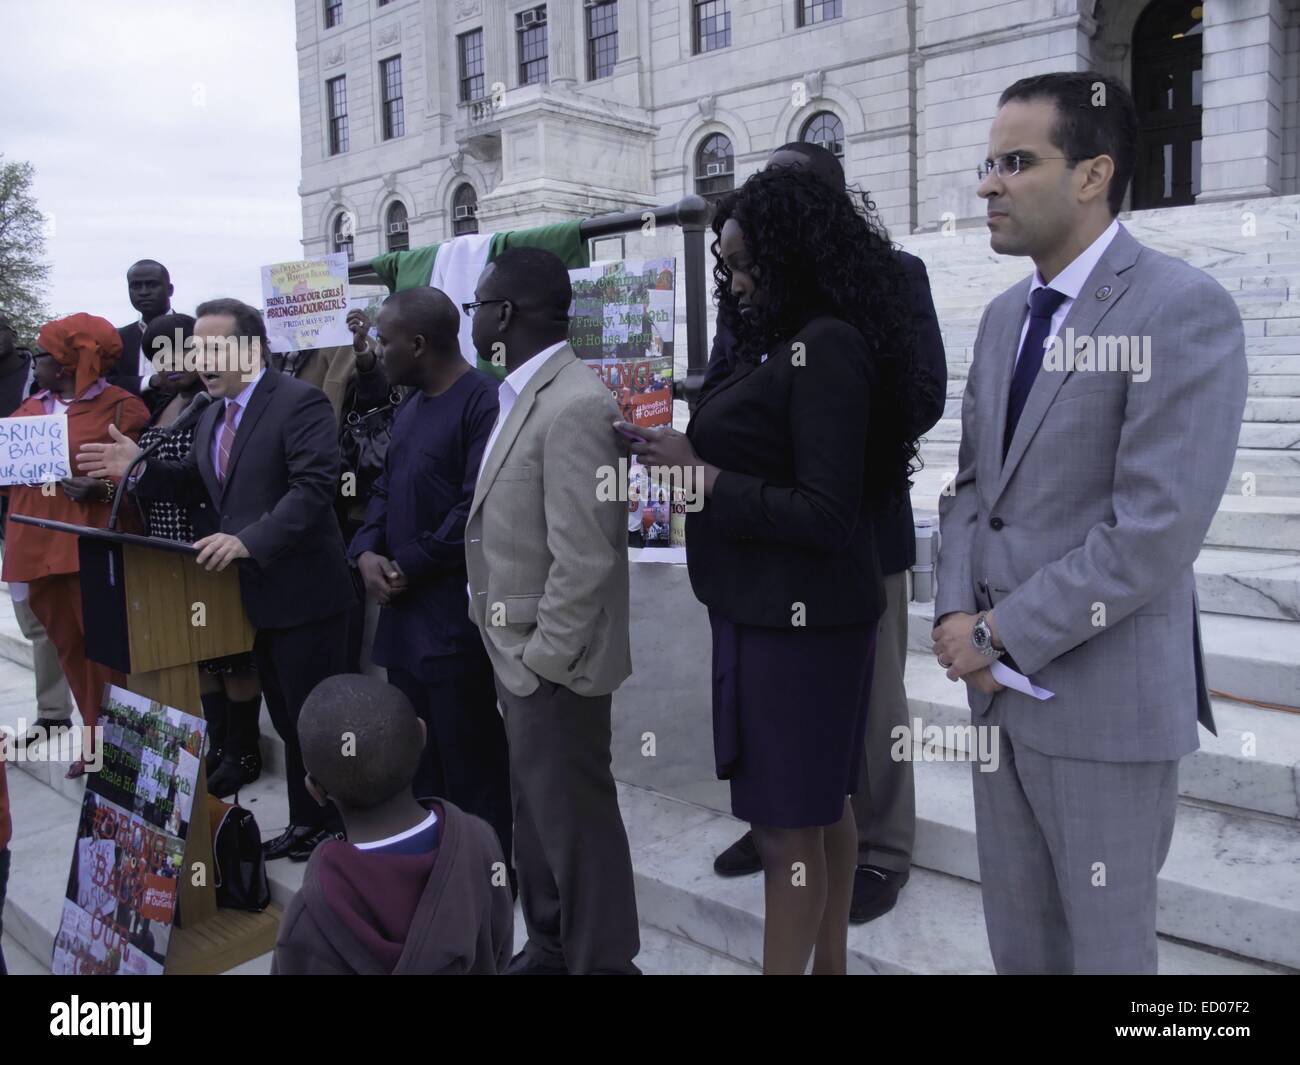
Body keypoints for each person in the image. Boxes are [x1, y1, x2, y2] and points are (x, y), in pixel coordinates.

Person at [932, 72, 1247, 974]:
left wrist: (997, 632)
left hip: (1104, 707)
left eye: (1016, 162)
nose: (988, 184)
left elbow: (1153, 530)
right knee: (1022, 949)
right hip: (995, 701)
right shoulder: (1002, 319)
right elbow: (968, 491)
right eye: (988, 162)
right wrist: (959, 617)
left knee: (1108, 962)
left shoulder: (1180, 307)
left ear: (1093, 174)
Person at [626, 165, 920, 974]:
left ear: (796, 252)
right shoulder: (778, 339)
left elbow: (827, 513)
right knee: (820, 813)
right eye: (725, 262)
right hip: (764, 611)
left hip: (804, 624)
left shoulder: (827, 346)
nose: (738, 278)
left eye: (748, 260)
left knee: (791, 828)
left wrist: (707, 477)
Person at [705, 142, 948, 925]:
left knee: (870, 701)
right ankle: (790, 823)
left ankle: (883, 847)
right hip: (766, 533)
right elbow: (728, 378)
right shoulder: (749, 280)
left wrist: (828, 445)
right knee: (788, 720)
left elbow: (923, 393)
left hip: (855, 521)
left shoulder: (894, 277)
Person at [78, 298, 355, 862]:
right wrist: (140, 465)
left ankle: (339, 824)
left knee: (316, 721)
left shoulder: (298, 403)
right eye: (194, 349)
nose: (199, 359)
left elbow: (312, 489)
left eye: (212, 347)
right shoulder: (210, 412)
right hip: (248, 601)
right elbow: (191, 484)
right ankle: (309, 823)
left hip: (307, 598)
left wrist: (249, 540)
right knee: (285, 715)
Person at [464, 247, 639, 975]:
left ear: (504, 314)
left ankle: (603, 961)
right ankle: (549, 944)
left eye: (478, 305)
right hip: (517, 658)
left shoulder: (576, 404)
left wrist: (543, 663)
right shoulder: (522, 394)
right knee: (535, 820)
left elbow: (587, 554)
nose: (469, 318)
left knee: (578, 827)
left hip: (553, 666)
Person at [348, 288, 511, 868]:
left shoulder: (484, 402)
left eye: (384, 340)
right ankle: (439, 872)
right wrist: (366, 552)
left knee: (473, 762)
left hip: (454, 625)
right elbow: (386, 491)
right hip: (403, 623)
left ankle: (489, 881)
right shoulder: (410, 406)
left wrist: (406, 564)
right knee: (420, 761)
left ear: (417, 344)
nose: (375, 350)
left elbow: (475, 508)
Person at [271, 674, 513, 975]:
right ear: (422, 735)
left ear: (314, 790)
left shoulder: (309, 920)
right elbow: (499, 946)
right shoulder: (481, 843)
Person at [1, 314, 150, 777]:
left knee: (106, 652)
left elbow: (141, 482)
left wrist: (102, 490)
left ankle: (122, 748)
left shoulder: (123, 408)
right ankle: (96, 742)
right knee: (70, 650)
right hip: (34, 546)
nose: (34, 363)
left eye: (42, 356)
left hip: (88, 548)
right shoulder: (28, 409)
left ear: (67, 363)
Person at [133, 313, 263, 797]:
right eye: (158, 356)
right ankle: (221, 744)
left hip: (211, 542)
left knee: (229, 654)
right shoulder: (169, 406)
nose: (170, 364)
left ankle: (244, 750)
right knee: (200, 657)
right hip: (167, 547)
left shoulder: (218, 403)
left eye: (179, 352)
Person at [0, 313, 75, 749]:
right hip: (7, 522)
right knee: (31, 620)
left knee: (54, 615)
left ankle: (56, 711)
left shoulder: (36, 383)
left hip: (42, 514)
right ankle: (53, 710)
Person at [113, 259, 174, 401]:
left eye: (152, 285)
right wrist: (150, 381)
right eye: (136, 286)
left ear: (170, 290)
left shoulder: (192, 331)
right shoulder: (118, 339)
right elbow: (107, 382)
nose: (144, 292)